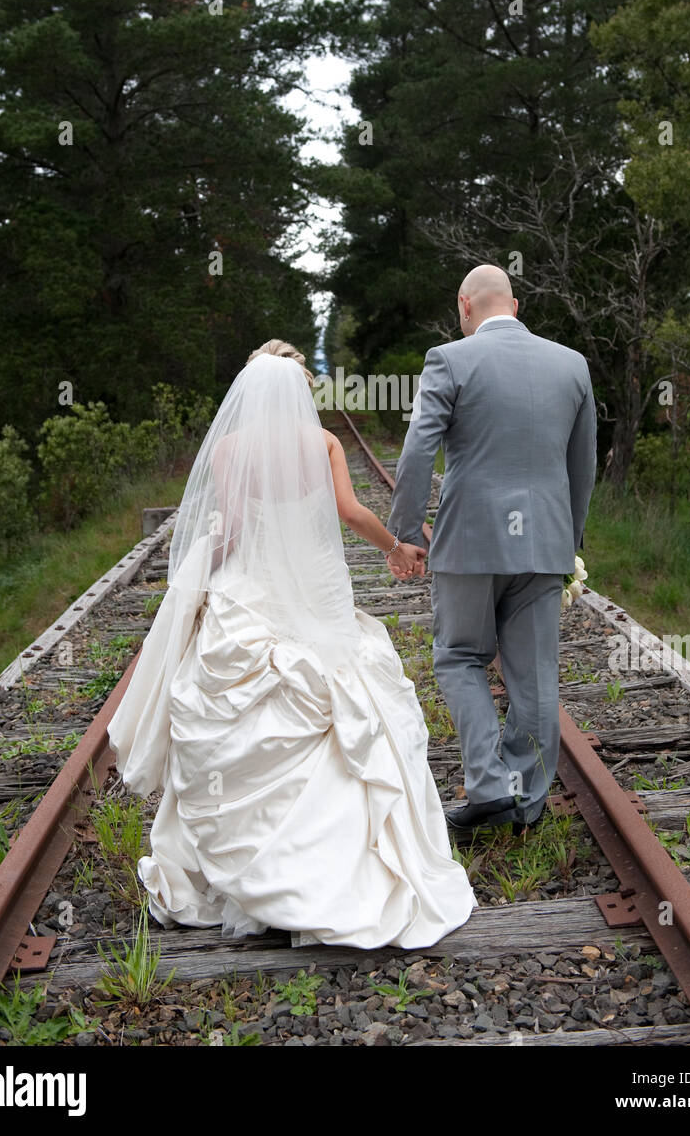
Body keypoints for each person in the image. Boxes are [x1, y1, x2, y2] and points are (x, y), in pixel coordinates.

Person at [107, 339, 476, 948]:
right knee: (342, 700)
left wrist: (202, 577)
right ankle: (341, 864)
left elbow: (230, 525)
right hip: (315, 594)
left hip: (251, 590)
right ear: (301, 388)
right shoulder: (323, 443)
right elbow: (351, 513)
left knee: (229, 711)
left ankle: (245, 870)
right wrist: (397, 549)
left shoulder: (230, 448)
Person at [388, 265, 597, 835]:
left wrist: (407, 533)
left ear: (465, 305)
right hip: (545, 547)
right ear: (517, 304)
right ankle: (526, 802)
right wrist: (567, 545)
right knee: (535, 677)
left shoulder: (449, 360)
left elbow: (415, 455)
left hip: (471, 544)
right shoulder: (572, 365)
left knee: (460, 656)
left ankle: (487, 785)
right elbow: (583, 470)